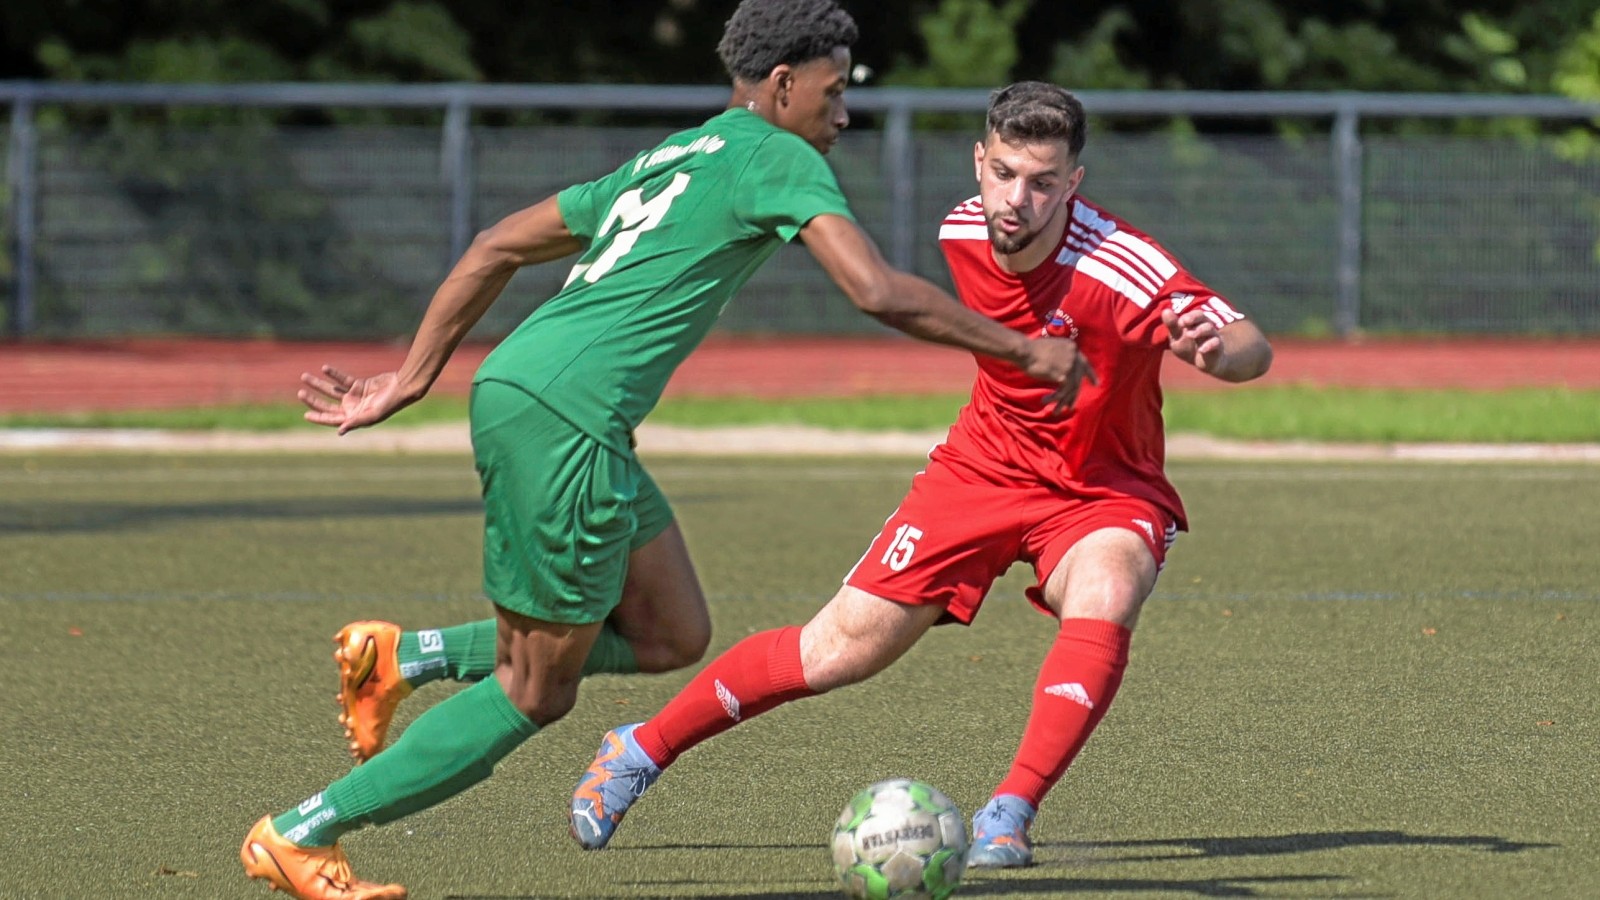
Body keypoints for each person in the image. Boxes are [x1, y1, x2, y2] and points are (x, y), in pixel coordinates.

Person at [237, 1, 1093, 896]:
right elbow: (875, 290)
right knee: (536, 691)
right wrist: (1024, 348)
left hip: (542, 400)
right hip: (565, 419)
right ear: (782, 85)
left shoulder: (679, 153)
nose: (843, 114)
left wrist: (415, 375)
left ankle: (401, 657)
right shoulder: (779, 156)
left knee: (671, 630)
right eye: (834, 92)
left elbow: (496, 245)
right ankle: (303, 831)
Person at [564, 80, 1273, 868]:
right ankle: (640, 746)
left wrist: (1216, 351)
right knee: (837, 652)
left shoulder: (1122, 265)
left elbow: (1250, 346)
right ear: (979, 162)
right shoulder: (961, 231)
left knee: (1107, 590)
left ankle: (1009, 814)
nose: (1018, 199)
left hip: (1101, 490)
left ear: (1074, 182)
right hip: (978, 472)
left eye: (1043, 183)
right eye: (1004, 172)